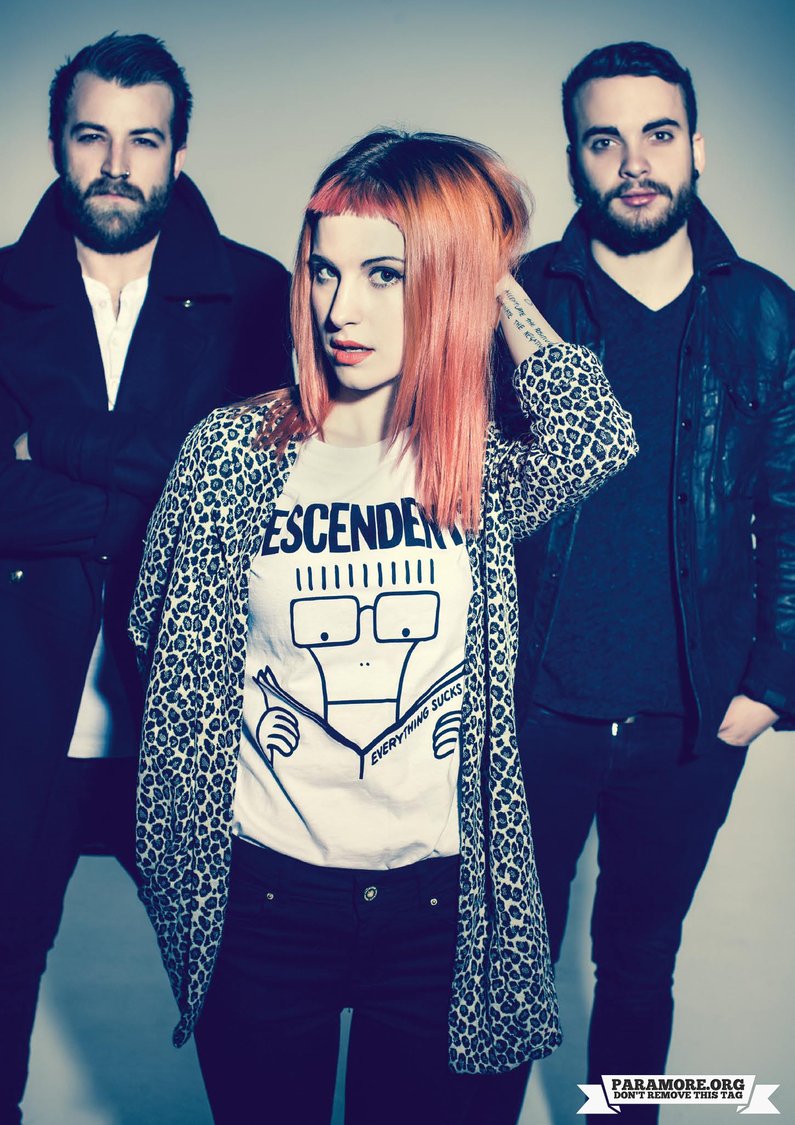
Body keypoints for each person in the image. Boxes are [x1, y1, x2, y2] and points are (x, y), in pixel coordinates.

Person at [128, 128, 636, 1124]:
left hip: (439, 910)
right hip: (264, 904)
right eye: (323, 270)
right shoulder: (230, 455)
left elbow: (595, 434)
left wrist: (488, 276)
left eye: (384, 274)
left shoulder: (472, 464)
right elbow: (162, 638)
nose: (339, 308)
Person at [0, 32, 291, 1123]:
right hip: (17, 714)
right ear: (55, 144)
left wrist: (50, 455)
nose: (117, 165)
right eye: (93, 136)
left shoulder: (260, 296)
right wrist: (176, 491)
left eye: (144, 140)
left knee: (246, 1000)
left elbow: (265, 498)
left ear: (178, 152)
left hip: (195, 722)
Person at [505, 41, 794, 1123]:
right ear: (574, 160)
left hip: (690, 720)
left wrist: (769, 686)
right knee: (500, 967)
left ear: (696, 148)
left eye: (657, 134)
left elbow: (794, 510)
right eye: (604, 139)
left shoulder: (764, 313)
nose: (634, 162)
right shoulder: (519, 300)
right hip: (530, 708)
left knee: (638, 967)